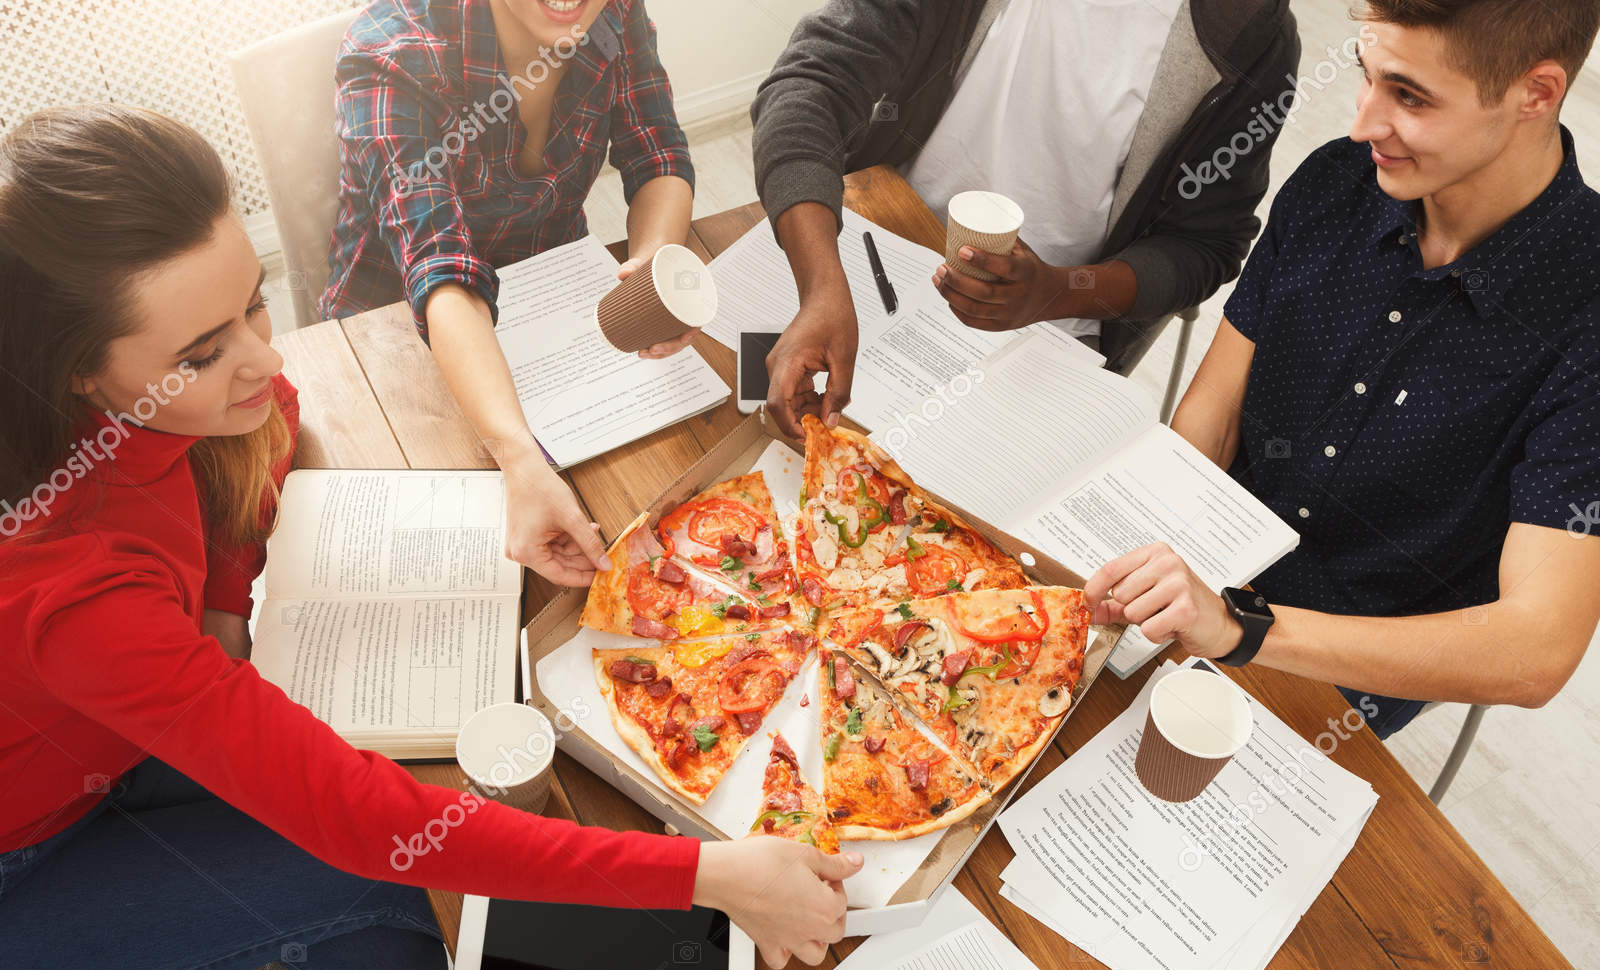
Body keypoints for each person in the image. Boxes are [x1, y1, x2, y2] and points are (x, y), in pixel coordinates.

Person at [0, 105, 857, 970]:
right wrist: (709, 876)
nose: (266, 353)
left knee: (375, 907)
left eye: (254, 301)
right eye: (201, 353)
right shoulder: (69, 593)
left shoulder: (133, 407)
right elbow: (368, 826)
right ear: (77, 373)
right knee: (375, 882)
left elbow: (271, 409)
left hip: (93, 759)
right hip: (24, 871)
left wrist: (224, 607)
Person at [1086, 0, 1600, 737]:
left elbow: (1536, 650)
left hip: (1335, 694)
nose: (1362, 124)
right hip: (1187, 596)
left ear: (1537, 93)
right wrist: (1158, 567)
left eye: (1410, 96)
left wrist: (1240, 627)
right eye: (1368, 76)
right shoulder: (1335, 181)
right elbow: (1215, 413)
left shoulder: (1587, 310)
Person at [749, 0, 1301, 436]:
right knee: (748, 420)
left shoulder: (1249, 30)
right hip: (864, 262)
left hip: (1053, 327)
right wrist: (821, 285)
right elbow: (807, 86)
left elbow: (1204, 245)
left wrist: (1060, 292)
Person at [320, 0, 697, 585]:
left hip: (548, 305)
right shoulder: (391, 52)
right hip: (398, 338)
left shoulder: (616, 12)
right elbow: (439, 264)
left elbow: (658, 154)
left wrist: (654, 272)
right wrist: (519, 456)